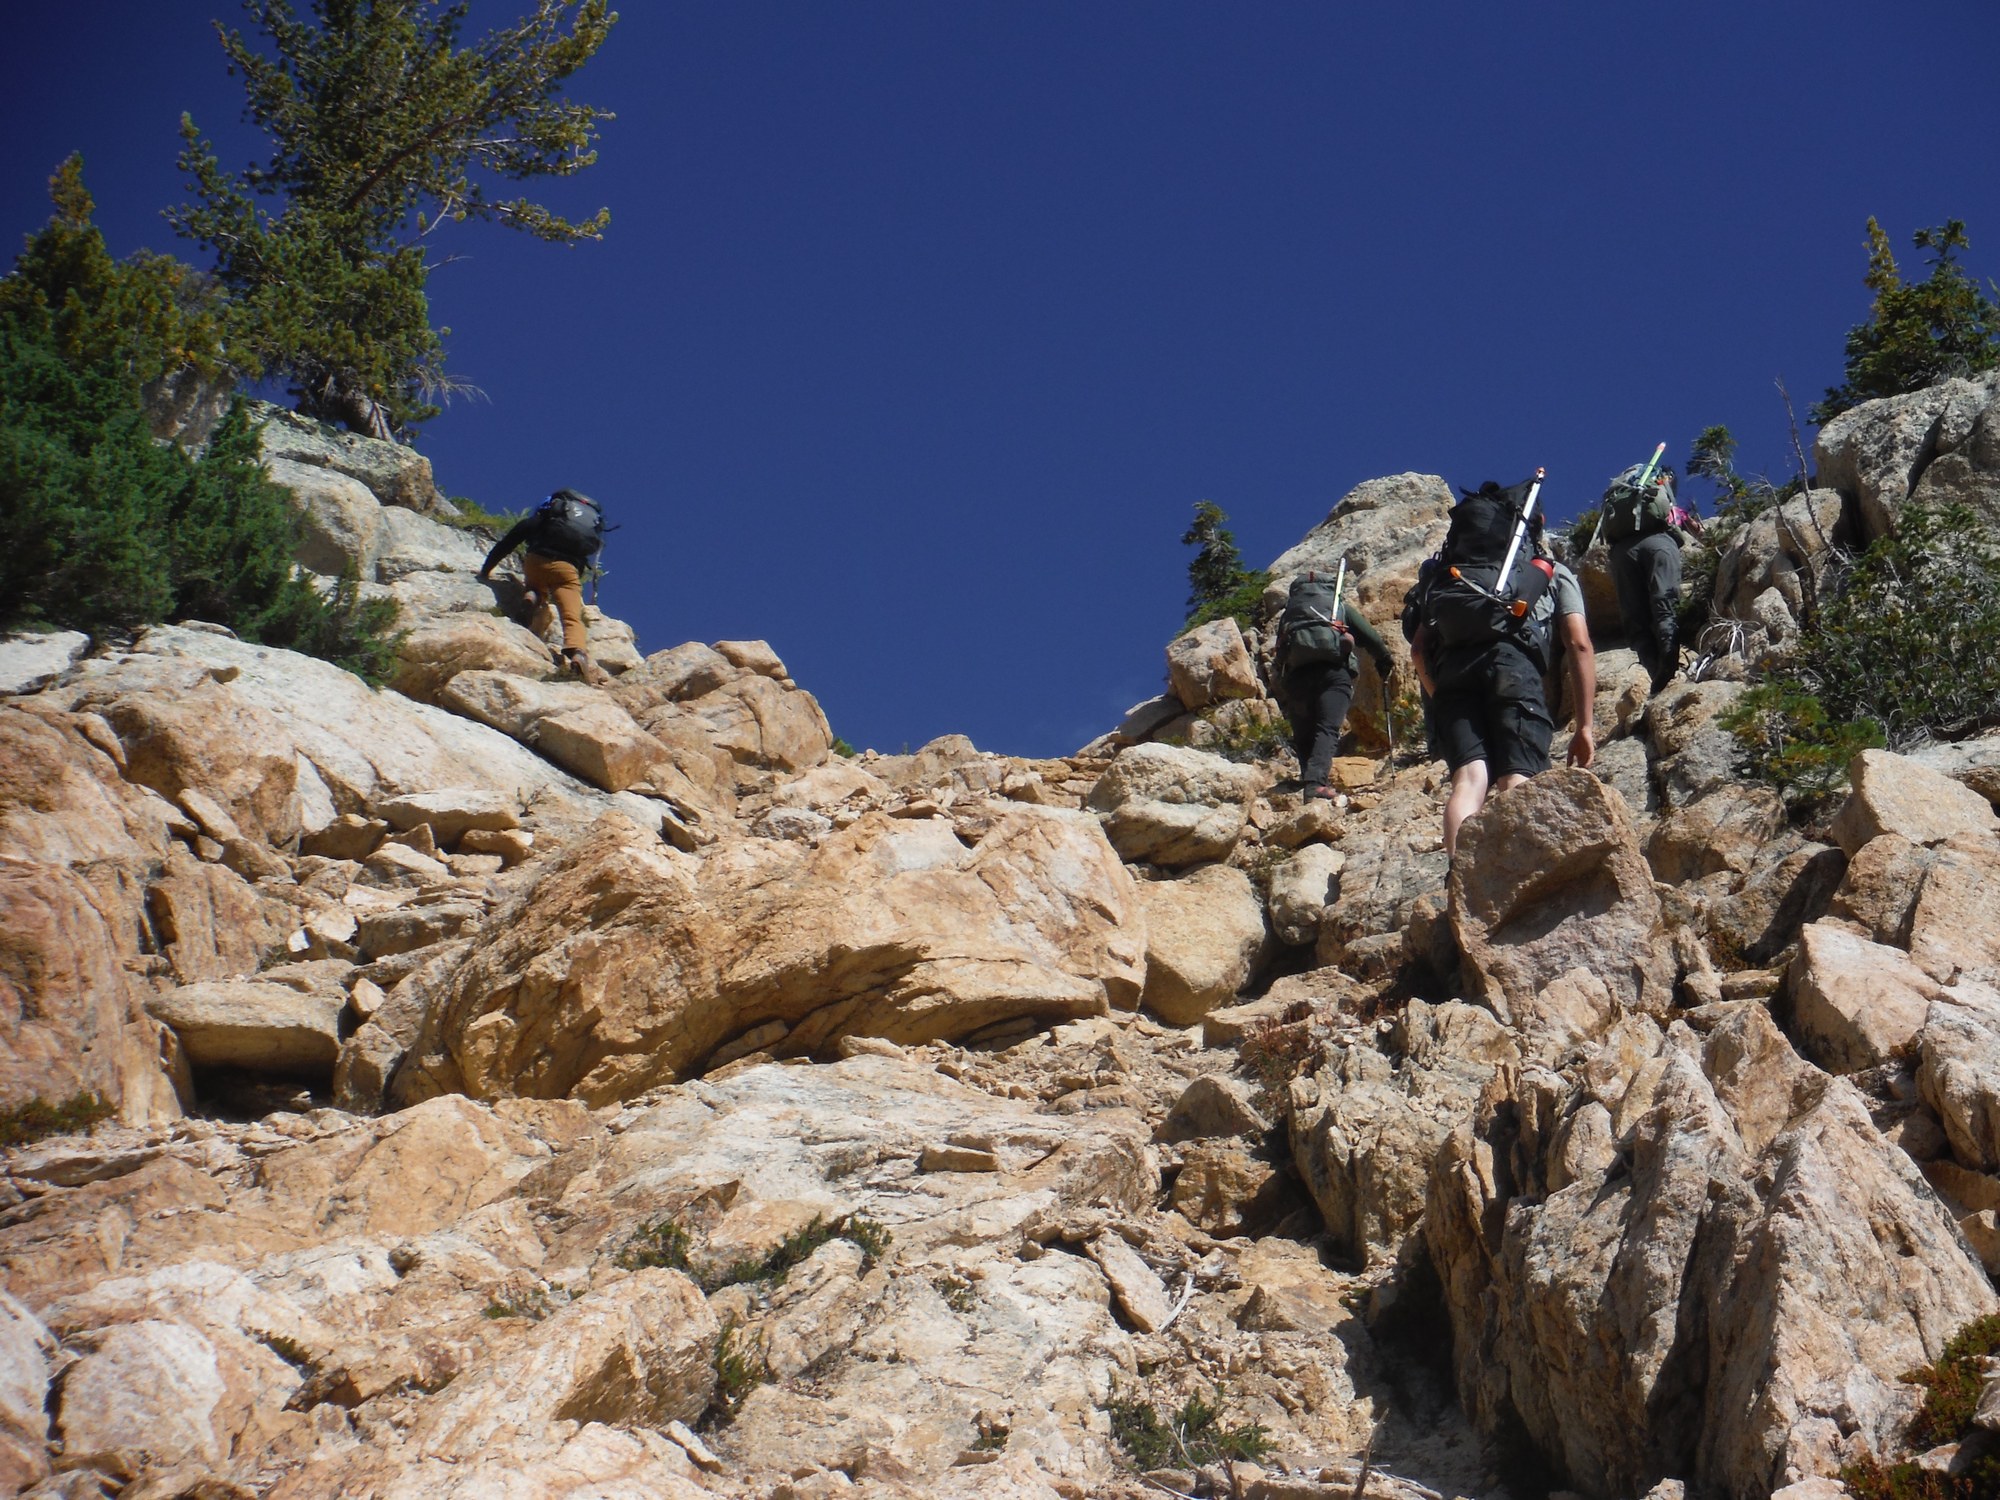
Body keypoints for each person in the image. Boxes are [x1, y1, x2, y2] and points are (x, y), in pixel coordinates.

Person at [1410, 501, 1596, 860]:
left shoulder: (1451, 573)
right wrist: (1585, 726)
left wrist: (1441, 696)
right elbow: (1579, 643)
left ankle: (1459, 875)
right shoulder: (1549, 571)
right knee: (1517, 773)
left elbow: (1418, 650)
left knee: (1469, 780)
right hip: (1514, 668)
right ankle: (1519, 869)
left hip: (1453, 675)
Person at [1273, 570, 1396, 800]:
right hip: (1334, 671)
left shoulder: (1291, 613)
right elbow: (1370, 636)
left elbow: (1280, 651)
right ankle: (1315, 784)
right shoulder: (1337, 606)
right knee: (1327, 727)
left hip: (1297, 676)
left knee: (1303, 730)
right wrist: (1384, 659)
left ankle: (1308, 780)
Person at [478, 488, 611, 685]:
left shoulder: (539, 522)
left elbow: (505, 546)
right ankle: (577, 654)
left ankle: (532, 595)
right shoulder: (579, 536)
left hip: (536, 561)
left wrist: (485, 572)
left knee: (537, 581)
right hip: (567, 570)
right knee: (572, 616)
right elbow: (582, 564)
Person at [1603, 463, 1705, 694]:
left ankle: (1653, 670)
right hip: (1659, 543)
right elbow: (1700, 532)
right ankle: (1668, 660)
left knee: (1634, 617)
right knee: (1664, 599)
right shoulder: (1672, 507)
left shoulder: (1626, 498)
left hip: (1621, 552)